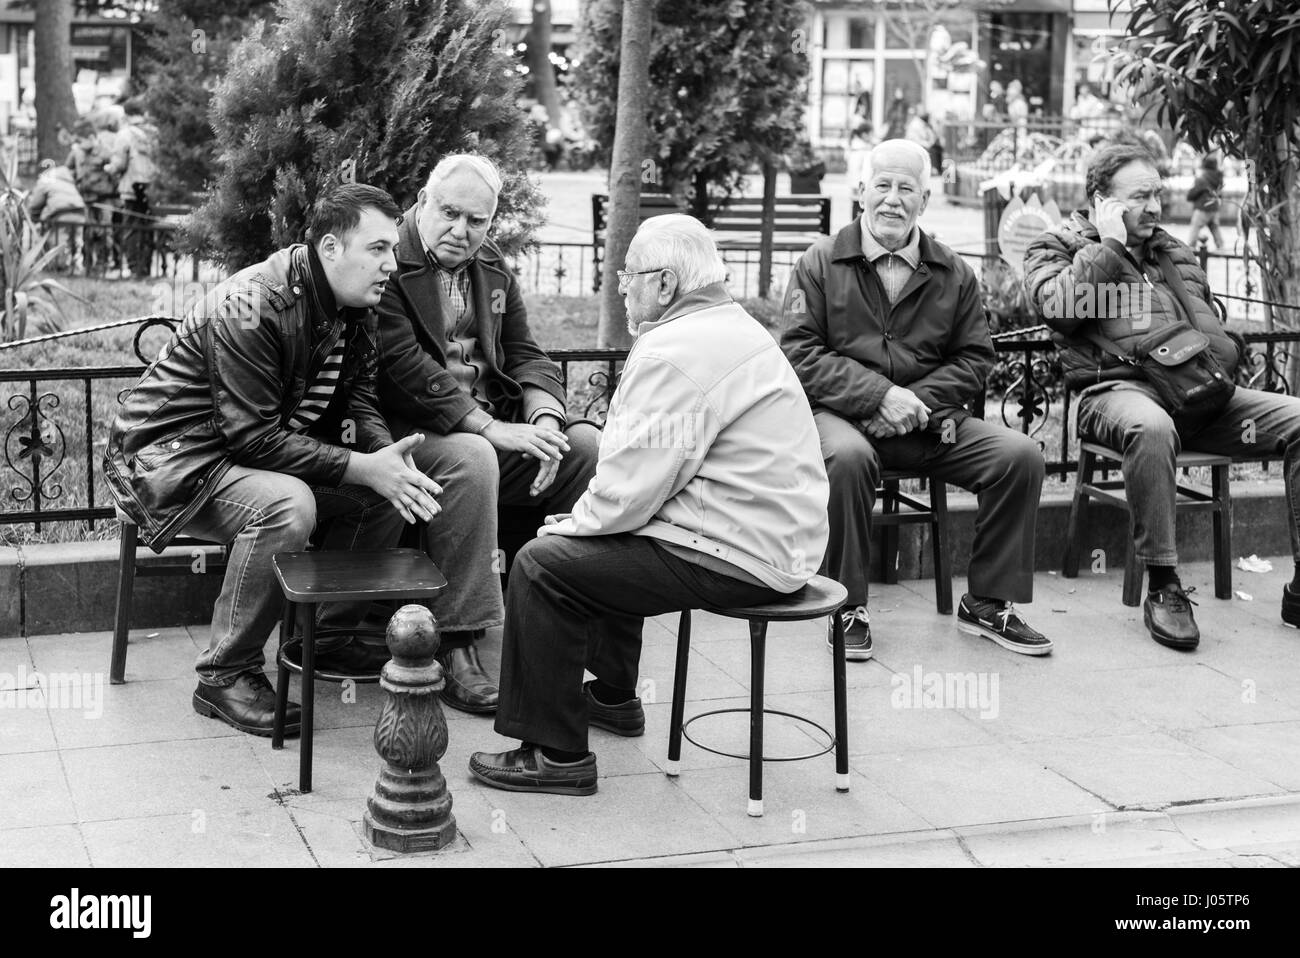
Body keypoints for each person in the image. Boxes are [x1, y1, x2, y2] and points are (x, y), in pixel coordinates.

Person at [467, 215, 829, 795]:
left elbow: (630, 487)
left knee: (540, 565)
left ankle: (555, 756)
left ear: (663, 285)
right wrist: (591, 524)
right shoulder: (729, 323)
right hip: (772, 540)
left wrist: (572, 526)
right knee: (597, 542)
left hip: (742, 553)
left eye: (627, 275)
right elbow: (644, 485)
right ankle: (612, 698)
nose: (621, 286)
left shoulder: (674, 350)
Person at [103, 184, 443, 736]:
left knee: (388, 490)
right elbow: (251, 438)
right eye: (378, 248)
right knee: (288, 505)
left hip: (244, 454)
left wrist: (383, 457)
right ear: (331, 248)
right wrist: (361, 466)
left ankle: (321, 641)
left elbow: (357, 396)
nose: (392, 262)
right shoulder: (253, 303)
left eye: (392, 248)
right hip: (173, 460)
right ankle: (223, 674)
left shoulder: (356, 300)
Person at [781, 139, 1050, 662]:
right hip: (844, 423)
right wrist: (877, 397)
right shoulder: (819, 262)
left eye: (907, 188)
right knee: (851, 458)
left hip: (930, 427)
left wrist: (911, 403)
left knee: (1020, 457)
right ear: (861, 192)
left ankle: (988, 602)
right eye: (882, 185)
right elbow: (796, 352)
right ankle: (845, 606)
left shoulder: (953, 272)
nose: (893, 199)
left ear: (925, 200)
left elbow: (976, 358)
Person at [1024, 144, 1300, 649]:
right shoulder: (1055, 246)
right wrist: (1107, 247)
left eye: (1158, 192)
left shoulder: (1172, 249)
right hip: (1116, 392)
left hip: (1198, 395)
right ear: (1102, 201)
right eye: (1140, 196)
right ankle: (1164, 585)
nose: (1154, 205)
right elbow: (1061, 310)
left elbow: (1208, 322)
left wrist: (1226, 349)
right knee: (1152, 428)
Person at [374, 155, 600, 715]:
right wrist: (491, 428)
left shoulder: (489, 265)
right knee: (476, 457)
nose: (461, 231)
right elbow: (401, 368)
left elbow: (525, 352)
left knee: (586, 449)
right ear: (423, 201)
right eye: (449, 213)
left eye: (478, 221)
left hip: (492, 424)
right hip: (413, 431)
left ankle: (552, 615)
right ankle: (456, 643)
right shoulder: (390, 261)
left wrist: (544, 419)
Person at [107, 105, 160, 277]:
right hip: (151, 189)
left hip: (131, 188)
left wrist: (109, 168)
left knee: (131, 228)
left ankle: (133, 268)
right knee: (147, 228)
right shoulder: (153, 133)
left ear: (127, 115)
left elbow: (119, 163)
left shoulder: (125, 134)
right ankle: (145, 267)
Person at [26, 159, 86, 271]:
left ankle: (61, 268)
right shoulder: (67, 178)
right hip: (79, 210)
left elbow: (35, 204)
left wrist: (34, 216)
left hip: (61, 213)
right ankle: (76, 267)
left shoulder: (45, 180)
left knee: (60, 241)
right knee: (76, 241)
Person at [1186, 155, 1225, 251]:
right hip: (1214, 208)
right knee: (1215, 228)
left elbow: (1192, 193)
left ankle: (1192, 249)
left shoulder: (1202, 178)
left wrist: (1190, 196)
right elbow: (1220, 194)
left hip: (1202, 208)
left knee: (1195, 228)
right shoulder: (1219, 177)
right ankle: (1221, 248)